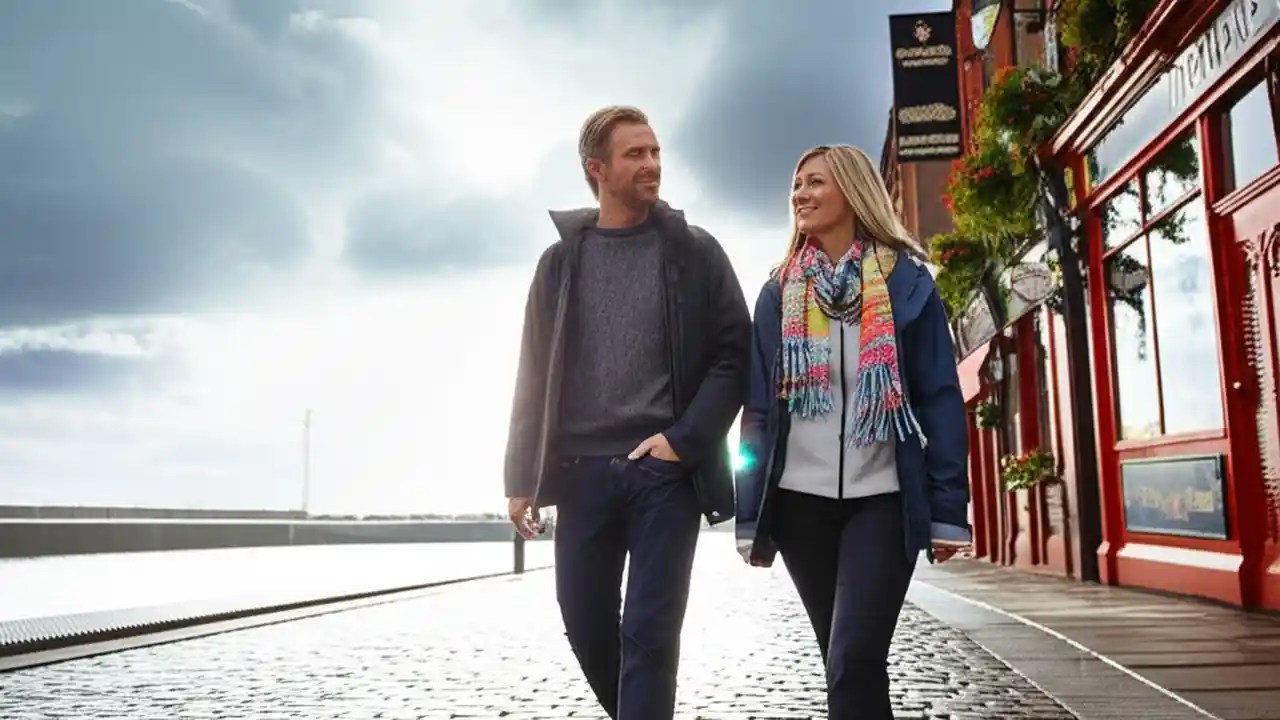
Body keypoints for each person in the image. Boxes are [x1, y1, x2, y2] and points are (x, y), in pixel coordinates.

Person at [503, 105, 751, 720]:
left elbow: (735, 357)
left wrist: (684, 441)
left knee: (649, 632)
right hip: (581, 472)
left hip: (663, 474)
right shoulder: (559, 264)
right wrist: (518, 478)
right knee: (583, 620)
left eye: (656, 152)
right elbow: (533, 374)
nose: (652, 165)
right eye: (635, 154)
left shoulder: (695, 253)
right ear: (597, 169)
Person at [733, 144, 972, 719]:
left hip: (884, 502)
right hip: (799, 507)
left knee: (852, 659)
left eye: (815, 182)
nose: (801, 195)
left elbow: (940, 397)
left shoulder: (909, 285)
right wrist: (749, 516)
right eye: (797, 185)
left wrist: (947, 507)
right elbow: (760, 410)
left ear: (852, 191)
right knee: (849, 665)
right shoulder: (778, 292)